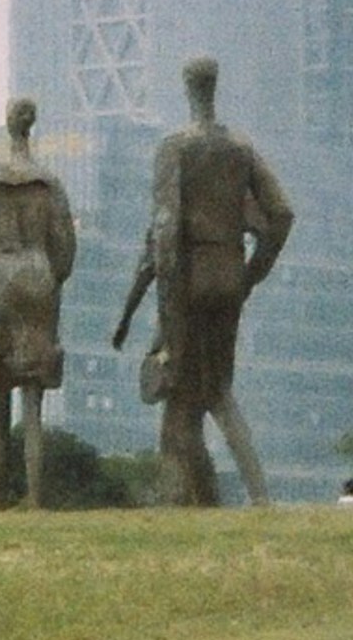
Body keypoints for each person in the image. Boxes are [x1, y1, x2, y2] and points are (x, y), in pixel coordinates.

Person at [106, 52, 294, 506]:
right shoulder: (240, 149)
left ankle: (179, 497)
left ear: (187, 88)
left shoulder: (177, 148)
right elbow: (282, 215)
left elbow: (163, 235)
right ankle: (242, 495)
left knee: (179, 392)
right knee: (216, 391)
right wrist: (250, 275)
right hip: (228, 273)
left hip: (187, 279)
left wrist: (137, 311)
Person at [0, 100, 85, 506]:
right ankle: (35, 497)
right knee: (33, 400)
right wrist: (51, 277)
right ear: (33, 125)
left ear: (7, 125)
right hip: (38, 274)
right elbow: (66, 245)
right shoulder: (50, 183)